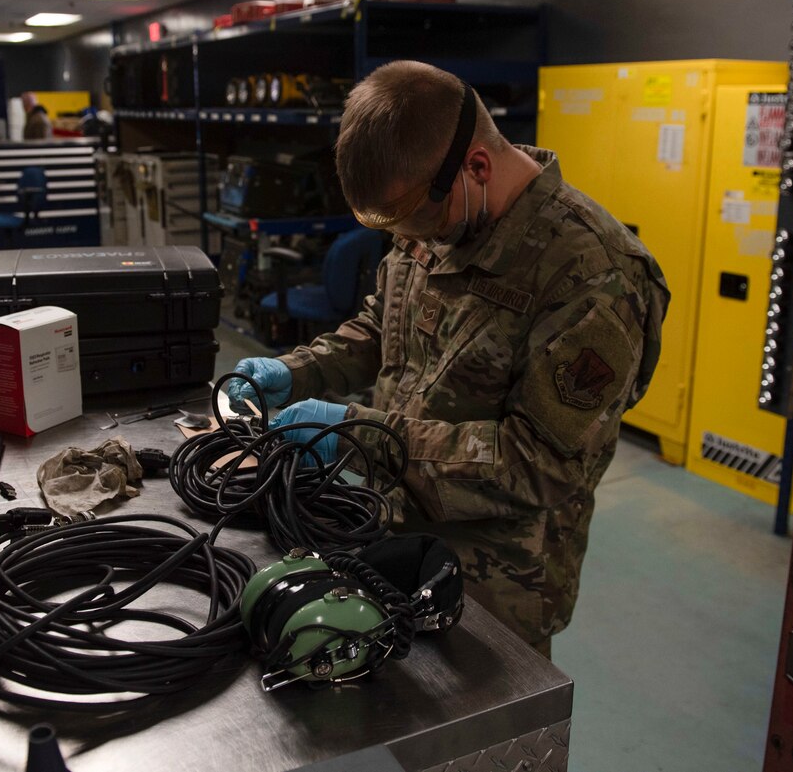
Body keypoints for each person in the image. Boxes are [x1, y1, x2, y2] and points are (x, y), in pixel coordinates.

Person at [228, 61, 669, 658]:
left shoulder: (594, 275)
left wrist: (360, 436)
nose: (411, 244)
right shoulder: (438, 215)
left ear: (476, 169)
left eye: (418, 224)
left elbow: (539, 463)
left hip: (494, 588)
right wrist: (296, 370)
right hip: (386, 533)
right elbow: (382, 326)